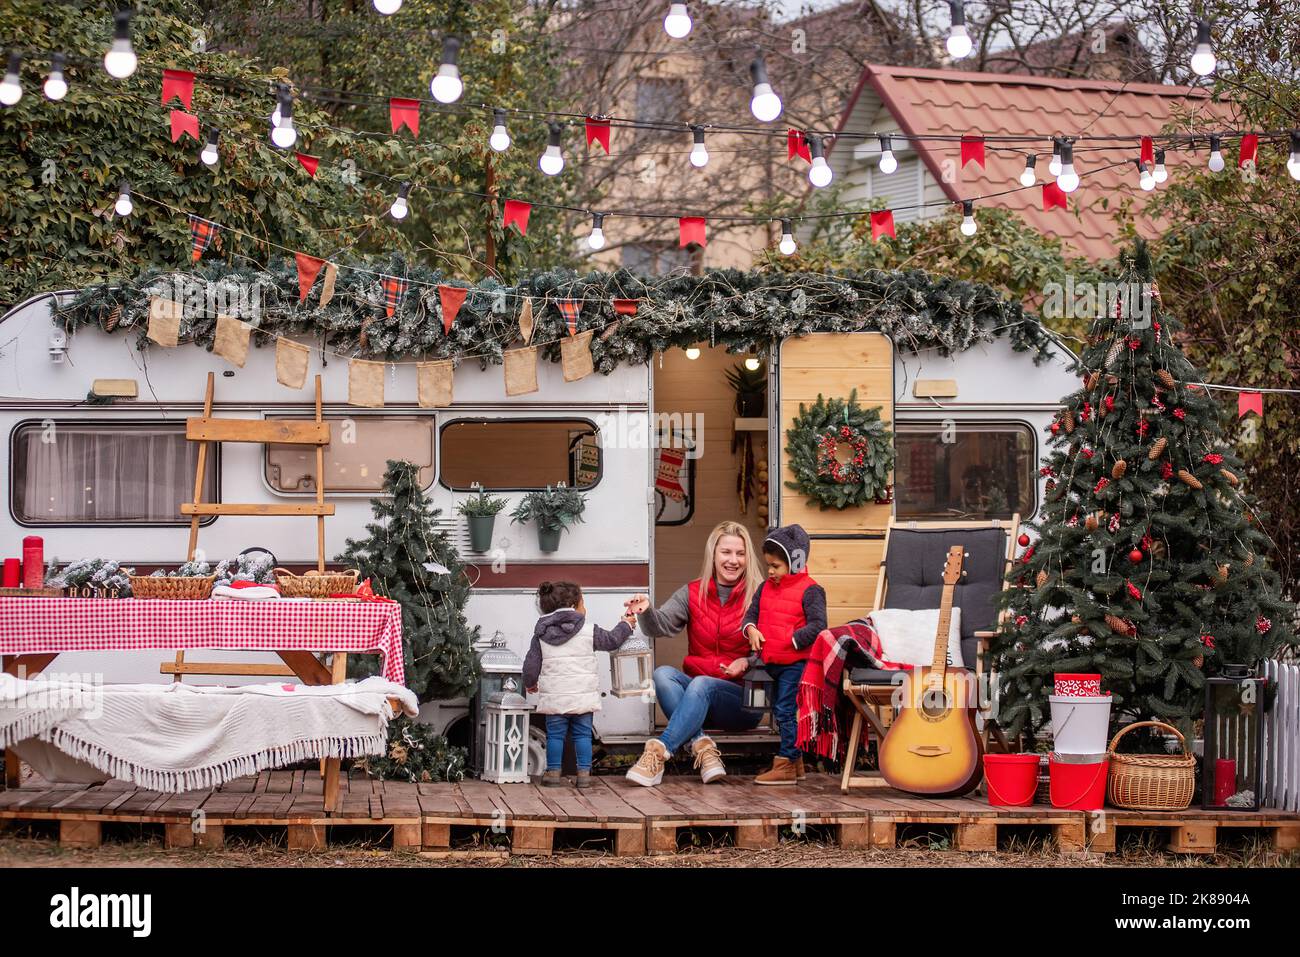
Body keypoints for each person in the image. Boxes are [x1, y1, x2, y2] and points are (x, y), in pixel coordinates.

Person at [623, 521, 765, 787]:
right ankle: (703, 748)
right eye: (726, 552)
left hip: (742, 701)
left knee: (701, 683)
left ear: (748, 557)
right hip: (697, 700)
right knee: (663, 675)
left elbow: (774, 650)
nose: (733, 560)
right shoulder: (693, 592)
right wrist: (647, 610)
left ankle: (659, 753)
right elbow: (661, 625)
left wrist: (746, 662)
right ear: (713, 554)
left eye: (740, 553)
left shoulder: (760, 595)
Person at [522, 581, 636, 788]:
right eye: (584, 602)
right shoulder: (589, 630)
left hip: (555, 698)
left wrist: (530, 684)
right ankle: (584, 774)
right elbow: (611, 641)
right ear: (575, 605)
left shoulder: (541, 635)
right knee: (582, 735)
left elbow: (531, 665)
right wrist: (626, 625)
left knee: (555, 735)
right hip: (583, 697)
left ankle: (553, 772)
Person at [742, 524, 827, 786]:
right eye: (768, 565)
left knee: (786, 711)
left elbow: (818, 625)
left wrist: (791, 639)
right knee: (780, 712)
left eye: (776, 566)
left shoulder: (811, 590)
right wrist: (751, 629)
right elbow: (752, 613)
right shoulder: (765, 588)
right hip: (771, 663)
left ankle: (787, 763)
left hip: (795, 663)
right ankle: (796, 762)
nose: (770, 571)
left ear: (796, 562)